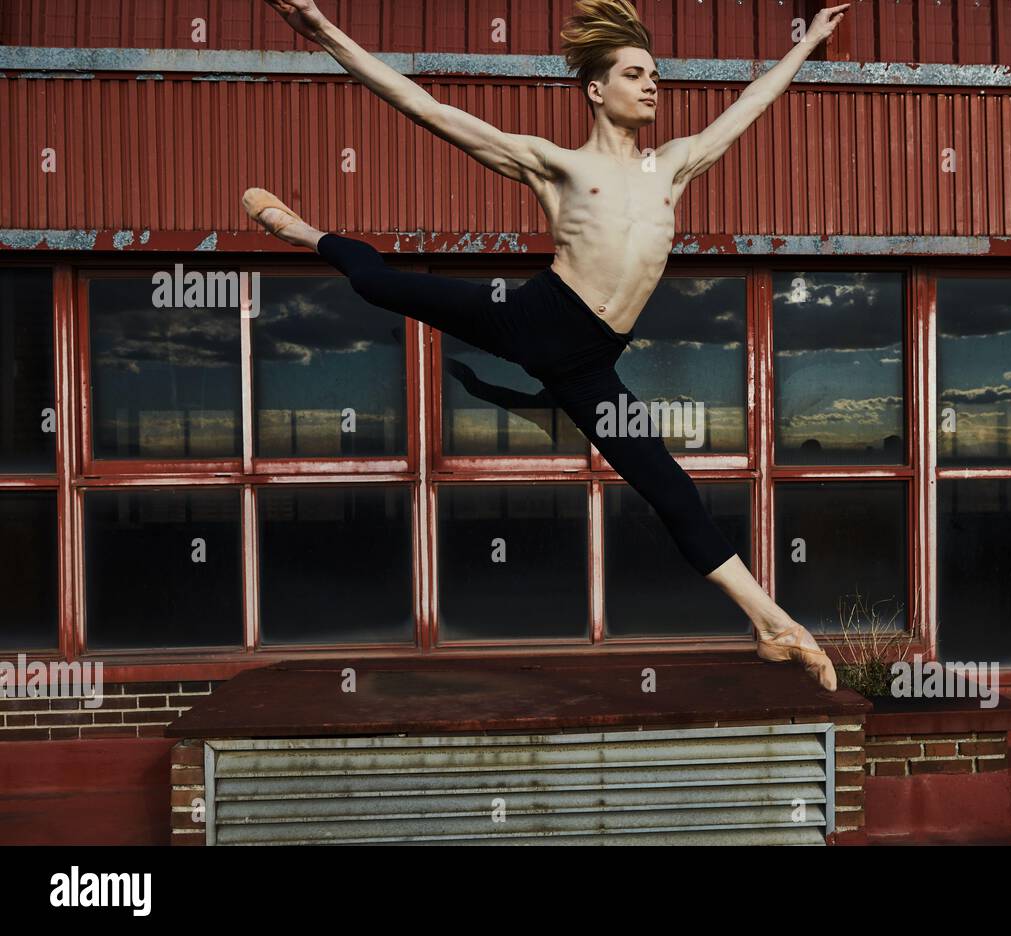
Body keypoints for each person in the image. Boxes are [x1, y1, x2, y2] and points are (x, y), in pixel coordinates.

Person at [249, 0, 850, 690]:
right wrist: (324, 32)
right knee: (379, 283)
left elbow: (751, 103)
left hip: (591, 364)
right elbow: (429, 111)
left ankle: (775, 627)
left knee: (671, 490)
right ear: (597, 89)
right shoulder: (556, 165)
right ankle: (309, 235)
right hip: (531, 318)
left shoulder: (673, 167)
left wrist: (808, 46)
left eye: (656, 74)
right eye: (636, 73)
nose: (654, 85)